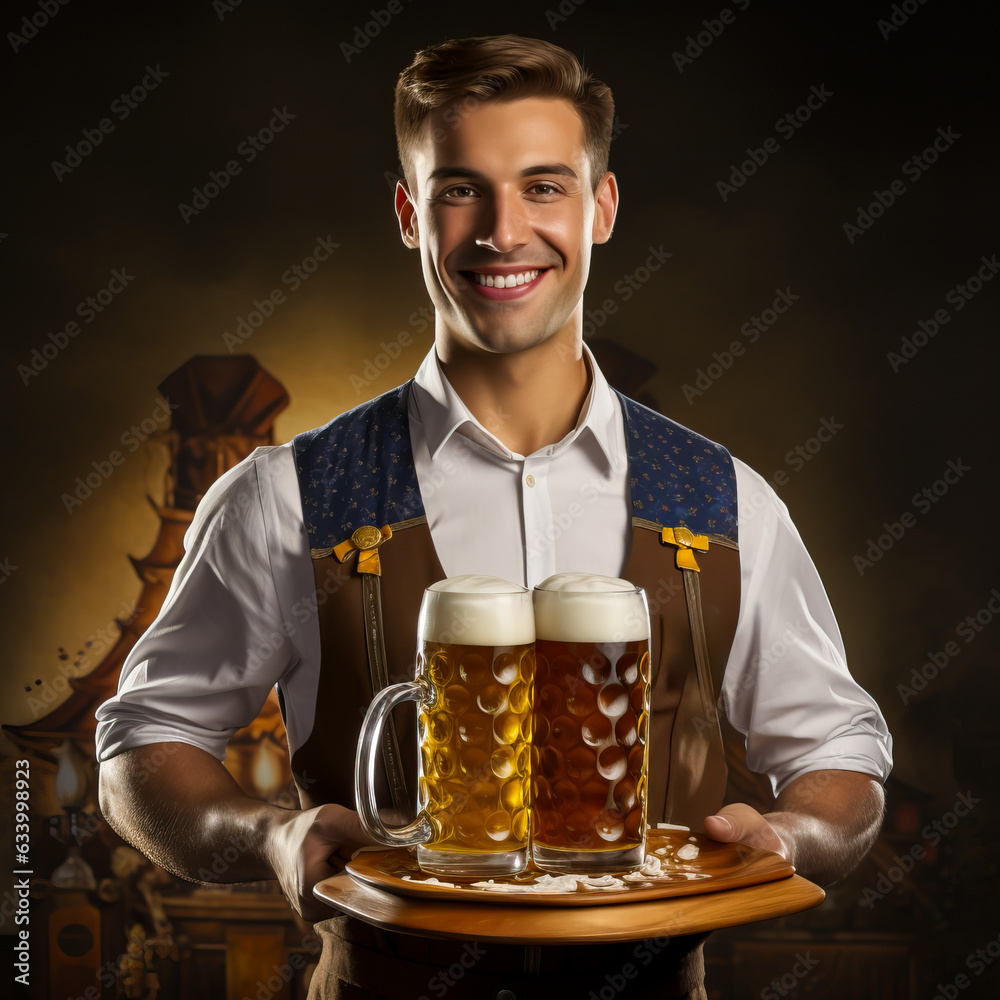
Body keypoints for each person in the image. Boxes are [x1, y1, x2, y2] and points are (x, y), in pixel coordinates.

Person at [96, 34, 892, 1000]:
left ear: (601, 209)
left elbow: (839, 757)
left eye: (545, 187)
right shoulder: (286, 495)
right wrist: (266, 834)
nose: (502, 231)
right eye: (460, 188)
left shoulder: (727, 501)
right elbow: (143, 744)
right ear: (409, 213)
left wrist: (790, 835)